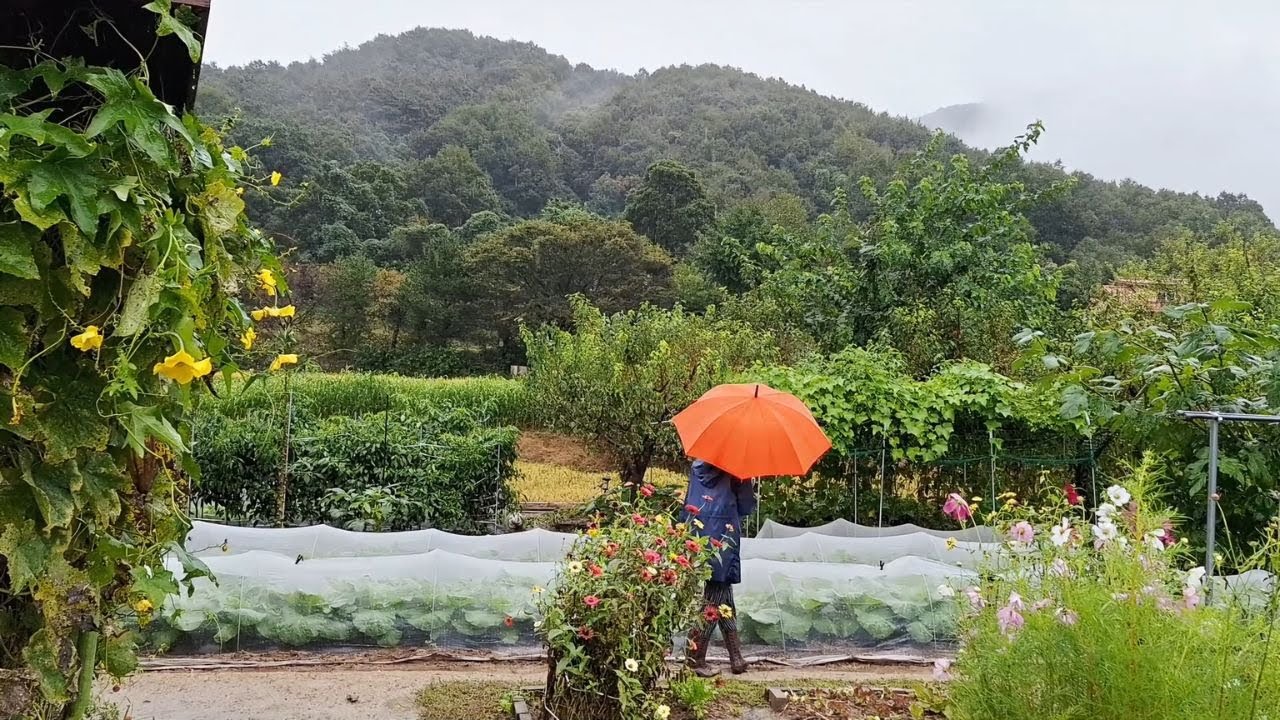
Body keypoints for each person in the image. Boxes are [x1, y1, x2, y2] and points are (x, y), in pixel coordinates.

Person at [681, 458, 757, 676]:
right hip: (724, 535)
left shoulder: (697, 466)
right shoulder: (737, 467)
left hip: (700, 534)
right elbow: (745, 505)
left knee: (723, 595)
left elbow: (690, 499)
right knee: (714, 599)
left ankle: (736, 657)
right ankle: (695, 658)